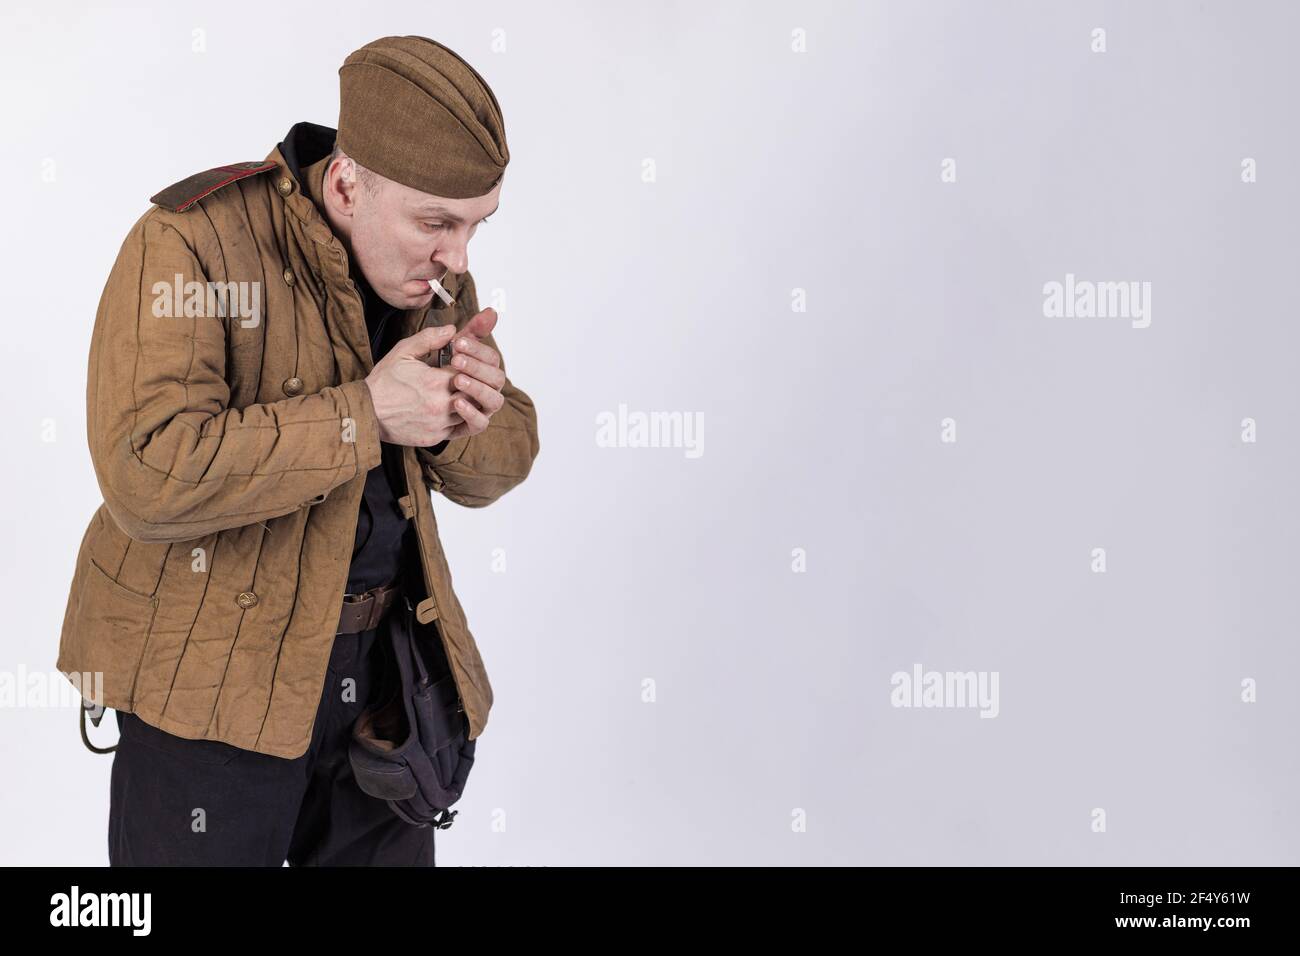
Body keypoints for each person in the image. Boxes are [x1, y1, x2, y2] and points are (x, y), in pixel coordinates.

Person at [55, 35, 539, 866]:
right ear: (349, 183)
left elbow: (498, 468)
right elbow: (146, 470)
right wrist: (363, 414)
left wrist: (471, 411)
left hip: (384, 693)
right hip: (208, 689)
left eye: (475, 226)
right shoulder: (190, 242)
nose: (458, 259)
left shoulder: (433, 277)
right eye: (438, 224)